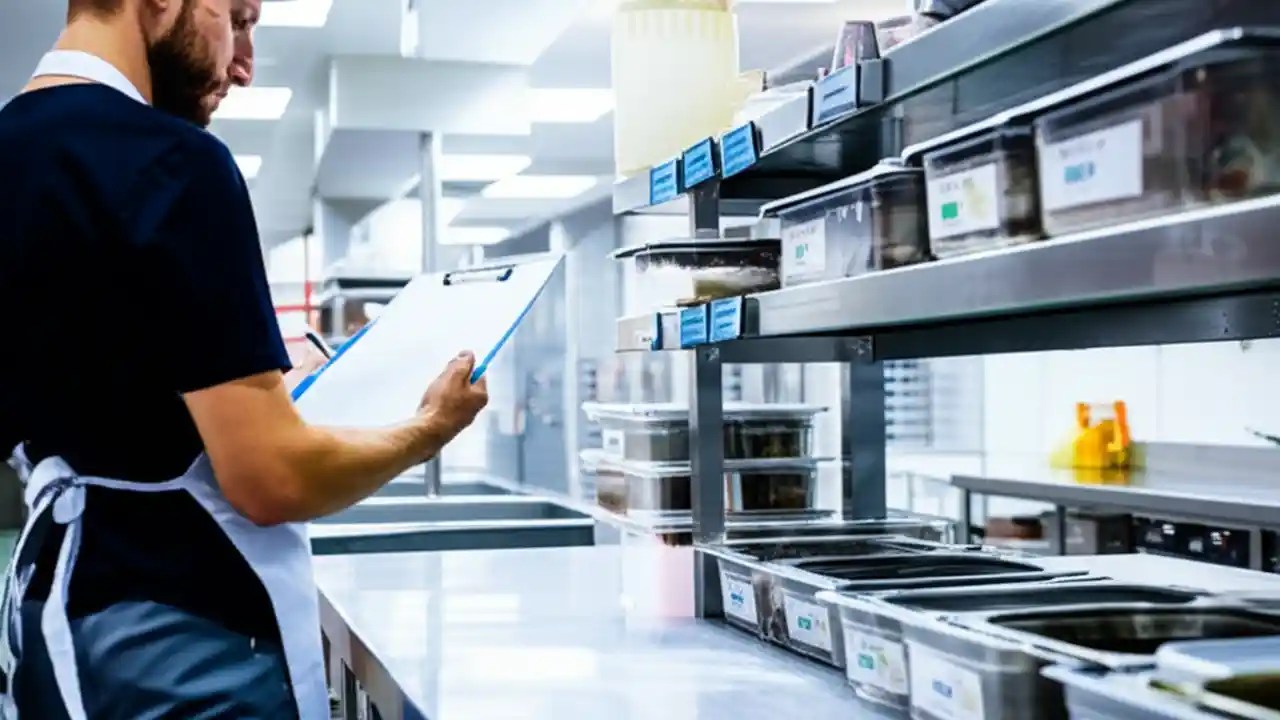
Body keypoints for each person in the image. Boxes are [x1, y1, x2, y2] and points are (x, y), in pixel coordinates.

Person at [0, 1, 489, 719]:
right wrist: (428, 427)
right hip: (182, 655)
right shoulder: (176, 162)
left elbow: (101, 391)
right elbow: (270, 479)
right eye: (239, 16)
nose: (245, 63)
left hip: (53, 619)